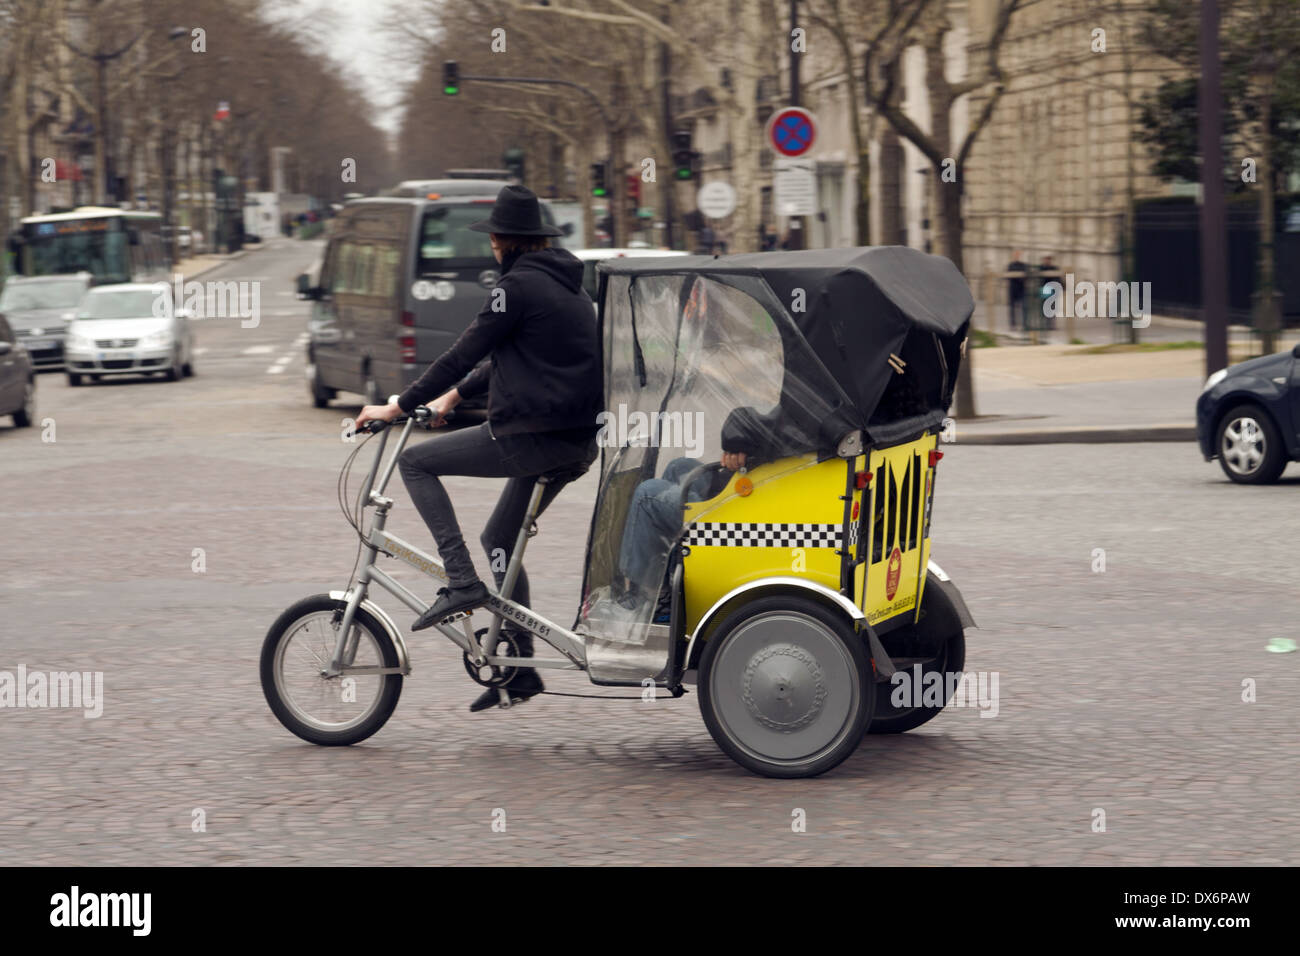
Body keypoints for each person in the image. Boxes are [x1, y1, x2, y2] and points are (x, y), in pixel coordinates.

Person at [354, 185, 602, 713]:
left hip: (531, 437)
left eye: (492, 239)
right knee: (500, 538)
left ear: (501, 241)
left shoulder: (514, 289)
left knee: (415, 462)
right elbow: (497, 362)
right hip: (574, 443)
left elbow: (462, 352)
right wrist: (453, 397)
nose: (491, 247)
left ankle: (462, 581)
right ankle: (521, 670)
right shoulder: (567, 288)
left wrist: (396, 405)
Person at [1006, 250, 1028, 330]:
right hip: (1013, 288)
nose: (1017, 256)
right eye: (1016, 255)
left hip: (1021, 288)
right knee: (1012, 308)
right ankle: (1013, 324)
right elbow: (1008, 276)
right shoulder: (1010, 265)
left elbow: (1026, 275)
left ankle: (1024, 324)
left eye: (1018, 255)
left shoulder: (1024, 265)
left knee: (1024, 307)